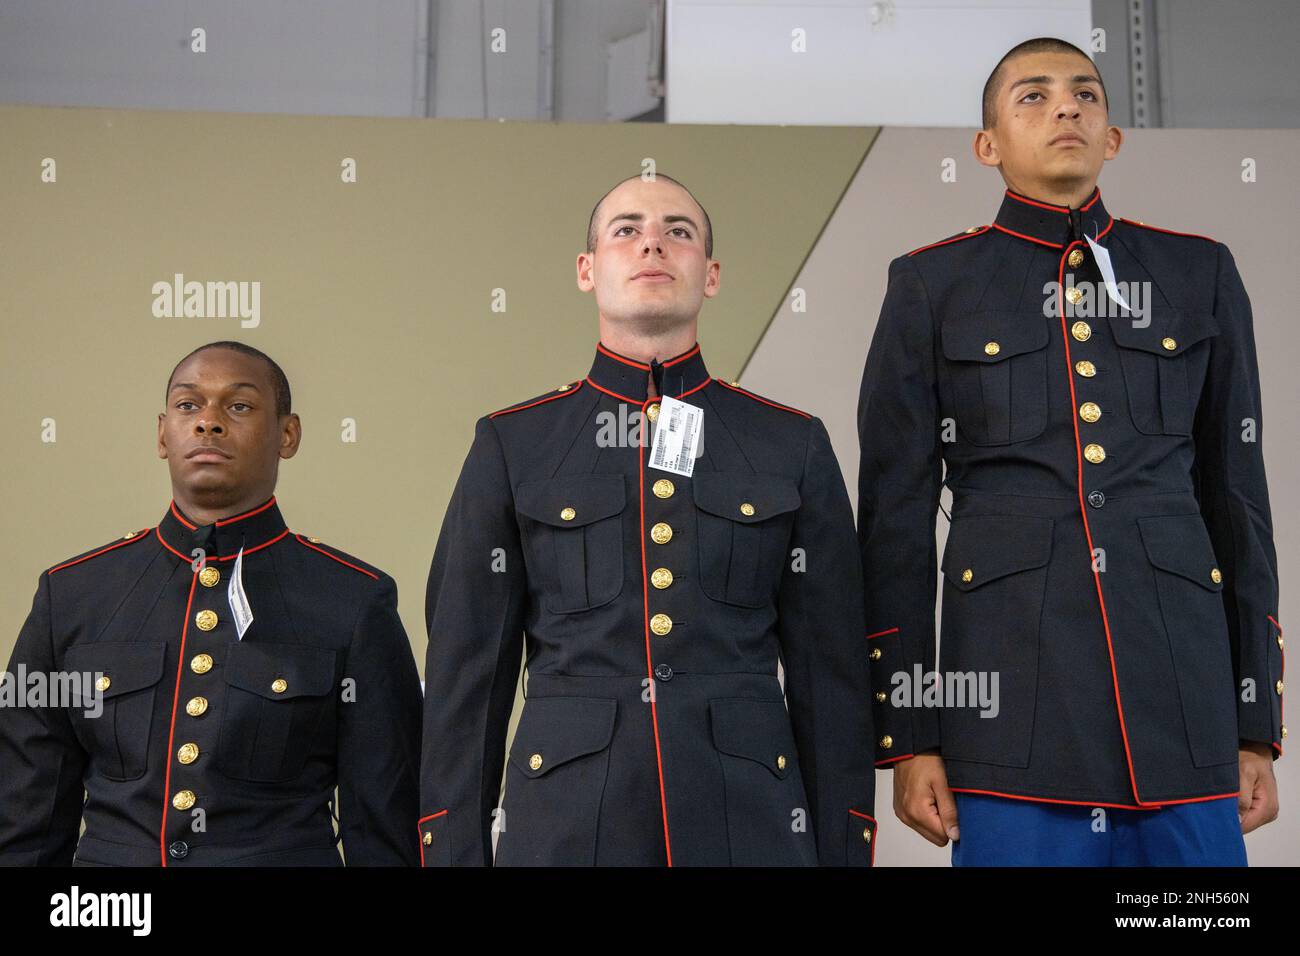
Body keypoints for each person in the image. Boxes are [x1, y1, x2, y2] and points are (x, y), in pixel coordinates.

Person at [857, 37, 1281, 866]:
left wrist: (1254, 720)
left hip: (1184, 713)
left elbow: (1239, 504)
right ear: (987, 147)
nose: (1066, 108)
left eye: (1087, 94)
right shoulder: (931, 285)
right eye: (1034, 96)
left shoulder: (1201, 274)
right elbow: (894, 531)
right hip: (1010, 716)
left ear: (1113, 136)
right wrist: (910, 740)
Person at [418, 173, 876, 866]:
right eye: (626, 230)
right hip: (565, 824)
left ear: (711, 275)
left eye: (679, 232)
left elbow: (830, 674)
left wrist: (843, 849)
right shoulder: (514, 444)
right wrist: (453, 853)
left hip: (749, 821)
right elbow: (466, 675)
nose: (653, 244)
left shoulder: (790, 444)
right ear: (587, 269)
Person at [0, 341, 422, 866]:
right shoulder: (72, 594)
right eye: (188, 405)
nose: (208, 423)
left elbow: (385, 827)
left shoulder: (353, 600)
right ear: (162, 433)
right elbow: (25, 821)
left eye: (239, 406)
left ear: (288, 434)